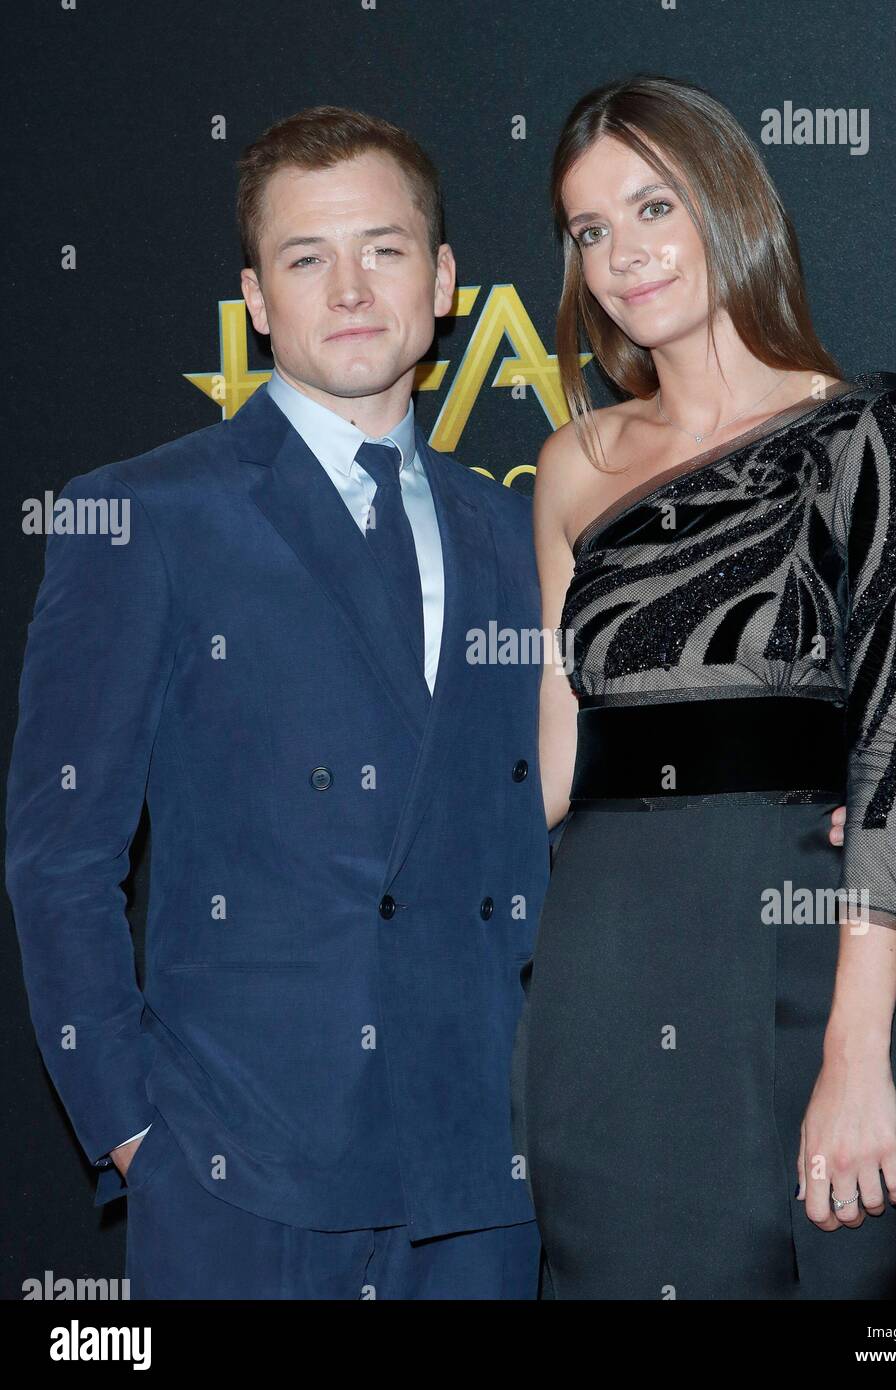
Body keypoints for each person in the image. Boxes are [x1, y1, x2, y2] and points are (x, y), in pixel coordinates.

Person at [6, 105, 549, 1299]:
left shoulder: (517, 531)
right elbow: (60, 855)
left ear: (442, 279)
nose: (349, 289)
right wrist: (136, 1136)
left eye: (383, 249)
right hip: (237, 1174)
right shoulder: (141, 516)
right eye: (307, 259)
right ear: (255, 298)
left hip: (478, 1177)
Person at [510, 76, 896, 1300]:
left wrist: (852, 1054)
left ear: (728, 204)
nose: (623, 255)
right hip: (603, 973)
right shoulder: (572, 462)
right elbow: (549, 765)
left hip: (798, 967)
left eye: (653, 206)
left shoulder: (868, 440)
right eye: (590, 231)